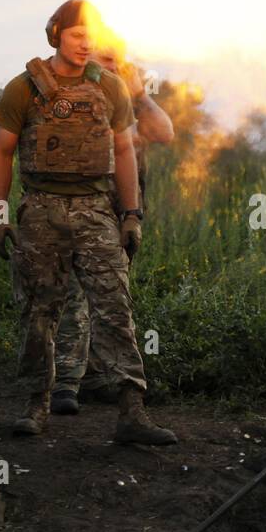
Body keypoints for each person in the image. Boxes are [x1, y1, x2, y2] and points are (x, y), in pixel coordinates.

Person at [0, 0, 177, 444]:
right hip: (42, 210)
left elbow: (126, 151)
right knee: (38, 313)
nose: (85, 44)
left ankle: (131, 412)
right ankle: (37, 405)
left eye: (91, 35)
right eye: (76, 35)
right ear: (55, 35)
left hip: (96, 211)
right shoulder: (23, 88)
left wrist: (131, 214)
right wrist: (0, 214)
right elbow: (1, 152)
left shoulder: (110, 87)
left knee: (115, 310)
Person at [51, 42, 173, 412]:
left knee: (110, 299)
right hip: (83, 209)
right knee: (74, 296)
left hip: (124, 213)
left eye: (118, 59)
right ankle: (64, 384)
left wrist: (138, 93)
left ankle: (97, 376)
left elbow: (163, 132)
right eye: (106, 58)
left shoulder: (127, 97)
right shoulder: (73, 93)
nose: (115, 64)